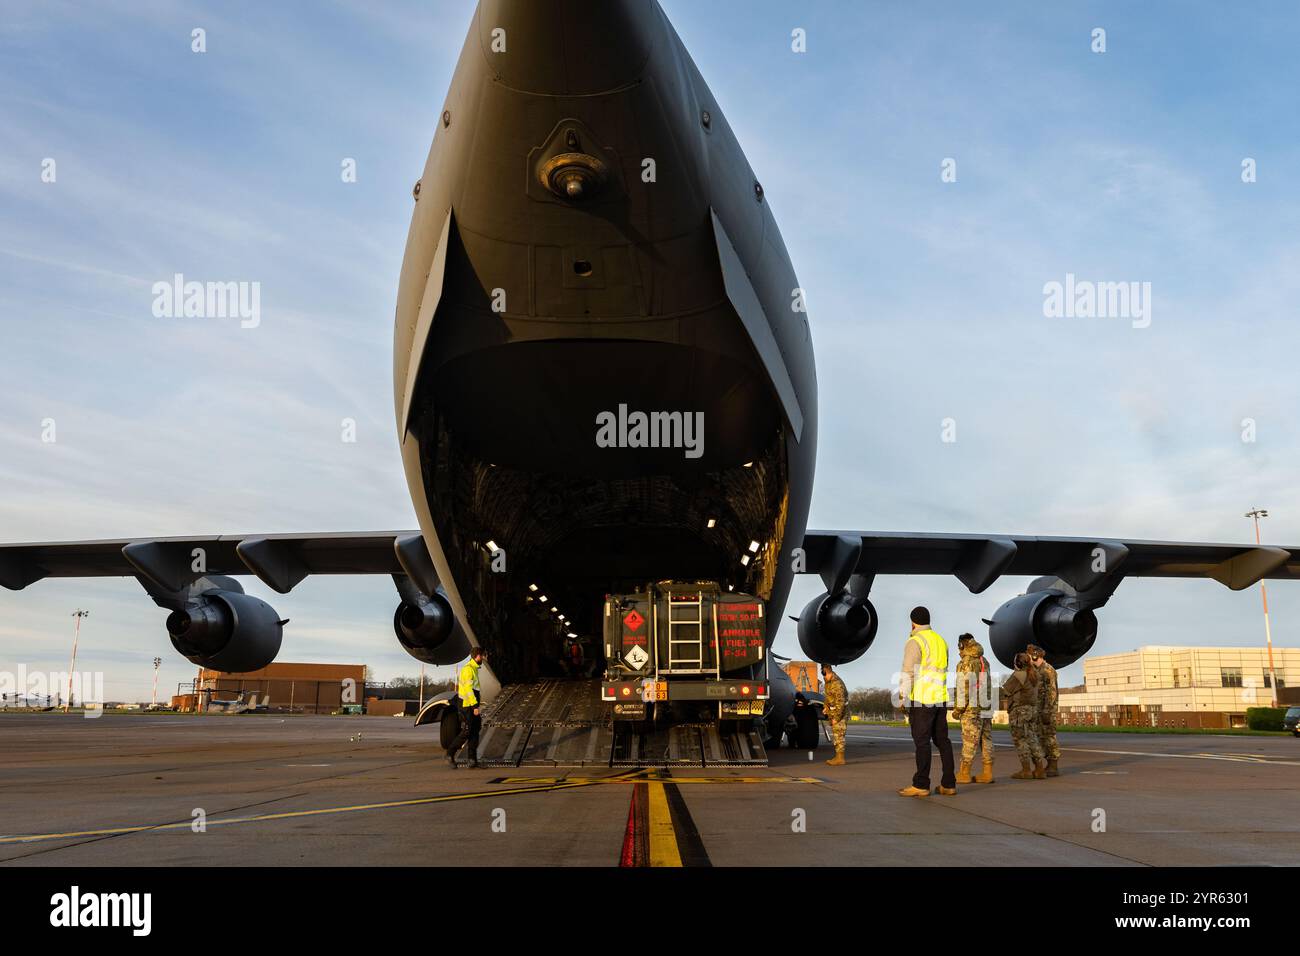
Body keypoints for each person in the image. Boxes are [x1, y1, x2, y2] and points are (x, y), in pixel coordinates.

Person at [897, 607, 956, 797]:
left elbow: (909, 671)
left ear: (913, 622)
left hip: (922, 699)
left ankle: (921, 785)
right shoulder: (941, 641)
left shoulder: (915, 641)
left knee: (922, 742)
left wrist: (902, 695)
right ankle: (948, 784)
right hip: (940, 698)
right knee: (943, 741)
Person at [951, 633, 995, 784]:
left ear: (962, 645)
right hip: (986, 707)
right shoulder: (984, 661)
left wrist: (958, 710)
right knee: (986, 739)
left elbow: (964, 688)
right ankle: (987, 773)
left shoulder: (966, 663)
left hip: (972, 709)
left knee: (969, 741)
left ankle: (964, 773)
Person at [1000, 652, 1045, 779]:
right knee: (1032, 738)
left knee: (1020, 740)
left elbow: (1006, 691)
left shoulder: (1019, 675)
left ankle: (1026, 770)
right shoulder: (1035, 674)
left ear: (1018, 663)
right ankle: (1039, 769)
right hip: (1032, 710)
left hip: (1019, 711)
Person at [447, 647, 486, 769]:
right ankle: (450, 754)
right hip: (467, 706)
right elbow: (469, 690)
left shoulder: (474, 669)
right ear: (477, 656)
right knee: (467, 731)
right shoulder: (468, 670)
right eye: (482, 656)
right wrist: (475, 706)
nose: (483, 658)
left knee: (475, 730)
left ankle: (472, 760)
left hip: (471, 705)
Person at [1026, 643, 1060, 776]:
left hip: (1047, 711)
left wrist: (1047, 711)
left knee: (1049, 737)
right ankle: (1048, 763)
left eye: (1030, 657)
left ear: (1035, 656)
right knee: (1041, 737)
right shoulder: (1037, 670)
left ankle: (1053, 765)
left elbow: (1052, 693)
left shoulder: (1048, 670)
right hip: (1038, 710)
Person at [822, 663, 848, 765]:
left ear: (828, 671)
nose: (824, 677)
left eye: (825, 674)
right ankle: (838, 757)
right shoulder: (829, 682)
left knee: (839, 734)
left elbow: (840, 703)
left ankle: (840, 759)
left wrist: (836, 718)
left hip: (840, 712)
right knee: (836, 734)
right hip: (833, 711)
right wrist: (826, 707)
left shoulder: (837, 684)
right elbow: (828, 696)